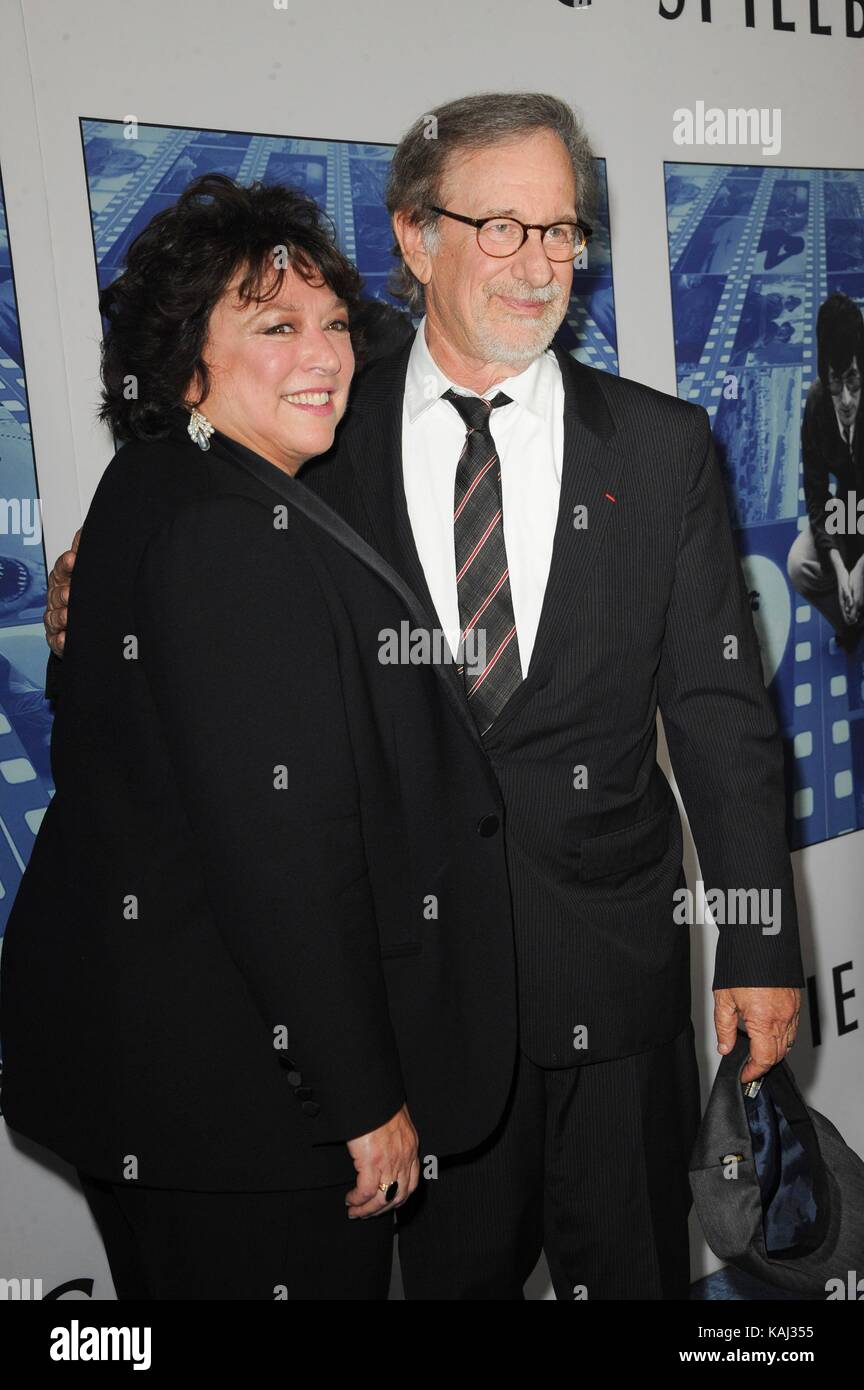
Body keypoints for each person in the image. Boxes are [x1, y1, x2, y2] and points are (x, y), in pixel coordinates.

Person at [44, 92, 804, 1302]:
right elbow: (182, 595)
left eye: (562, 231)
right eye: (500, 226)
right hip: (415, 1011)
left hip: (612, 991)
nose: (541, 263)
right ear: (415, 238)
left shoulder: (662, 449)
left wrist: (759, 945)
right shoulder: (307, 419)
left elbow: (721, 711)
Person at [2, 172, 516, 1300]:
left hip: (144, 1073)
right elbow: (278, 859)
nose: (325, 353)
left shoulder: (154, 482)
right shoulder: (233, 539)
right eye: (276, 327)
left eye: (332, 324)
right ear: (188, 358)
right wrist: (361, 1097)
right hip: (237, 1101)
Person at [787, 293, 864, 651]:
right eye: (836, 381)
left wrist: (861, 565)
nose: (846, 399)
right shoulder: (817, 403)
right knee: (800, 564)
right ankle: (851, 619)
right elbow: (817, 497)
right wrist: (839, 564)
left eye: (853, 380)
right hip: (849, 508)